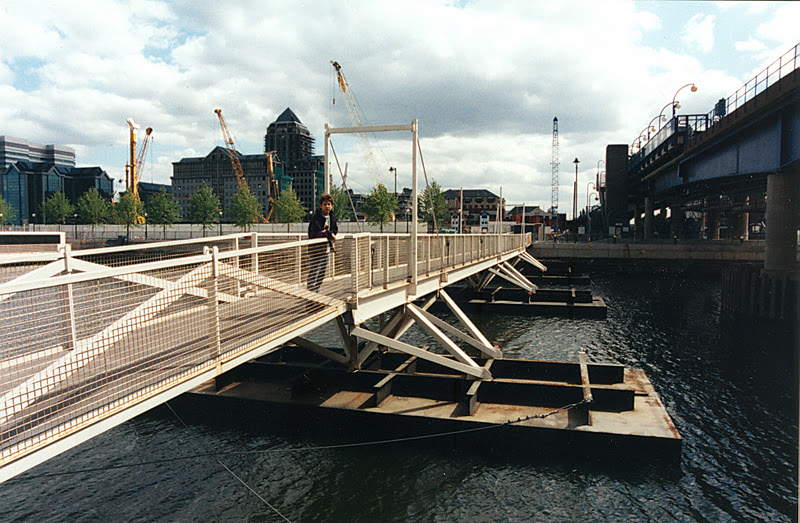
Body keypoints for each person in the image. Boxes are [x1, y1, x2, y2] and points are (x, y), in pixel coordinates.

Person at [307, 193, 338, 292]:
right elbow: (316, 233)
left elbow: (335, 230)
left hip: (326, 250)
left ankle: (317, 294)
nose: (327, 206)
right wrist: (329, 234)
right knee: (313, 274)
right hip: (316, 250)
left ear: (332, 206)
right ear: (321, 205)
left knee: (321, 274)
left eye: (329, 204)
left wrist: (327, 232)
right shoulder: (316, 218)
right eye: (325, 204)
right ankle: (311, 297)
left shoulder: (332, 217)